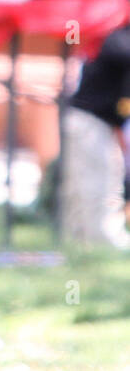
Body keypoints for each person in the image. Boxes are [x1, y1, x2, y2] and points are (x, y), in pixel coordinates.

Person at [59, 25, 130, 249]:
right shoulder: (118, 38)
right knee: (98, 180)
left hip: (94, 120)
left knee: (86, 180)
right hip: (89, 119)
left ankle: (81, 239)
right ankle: (101, 239)